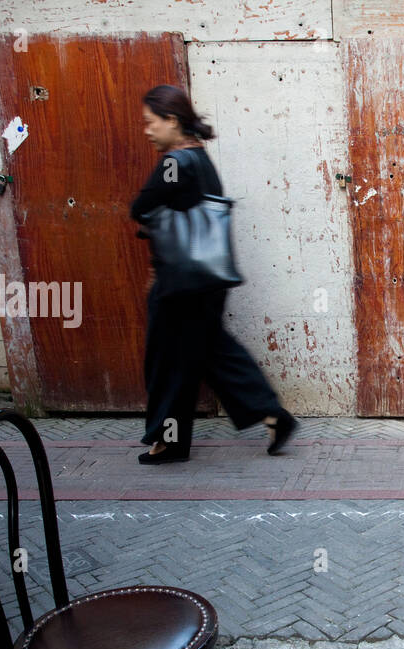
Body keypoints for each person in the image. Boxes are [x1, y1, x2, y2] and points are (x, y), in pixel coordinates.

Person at [130, 84, 296, 464]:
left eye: (151, 122)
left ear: (172, 121)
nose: (147, 130)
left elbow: (141, 206)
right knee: (207, 353)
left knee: (172, 360)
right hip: (206, 279)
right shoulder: (201, 160)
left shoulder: (175, 163)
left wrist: (149, 219)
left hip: (182, 283)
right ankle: (270, 415)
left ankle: (170, 441)